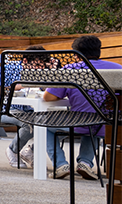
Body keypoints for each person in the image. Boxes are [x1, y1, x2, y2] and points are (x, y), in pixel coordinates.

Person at [42, 35, 119, 180]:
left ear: (76, 53)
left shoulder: (71, 69)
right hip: (109, 126)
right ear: (99, 51)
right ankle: (85, 162)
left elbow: (48, 98)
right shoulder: (118, 69)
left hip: (79, 123)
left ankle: (60, 165)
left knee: (43, 127)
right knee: (97, 120)